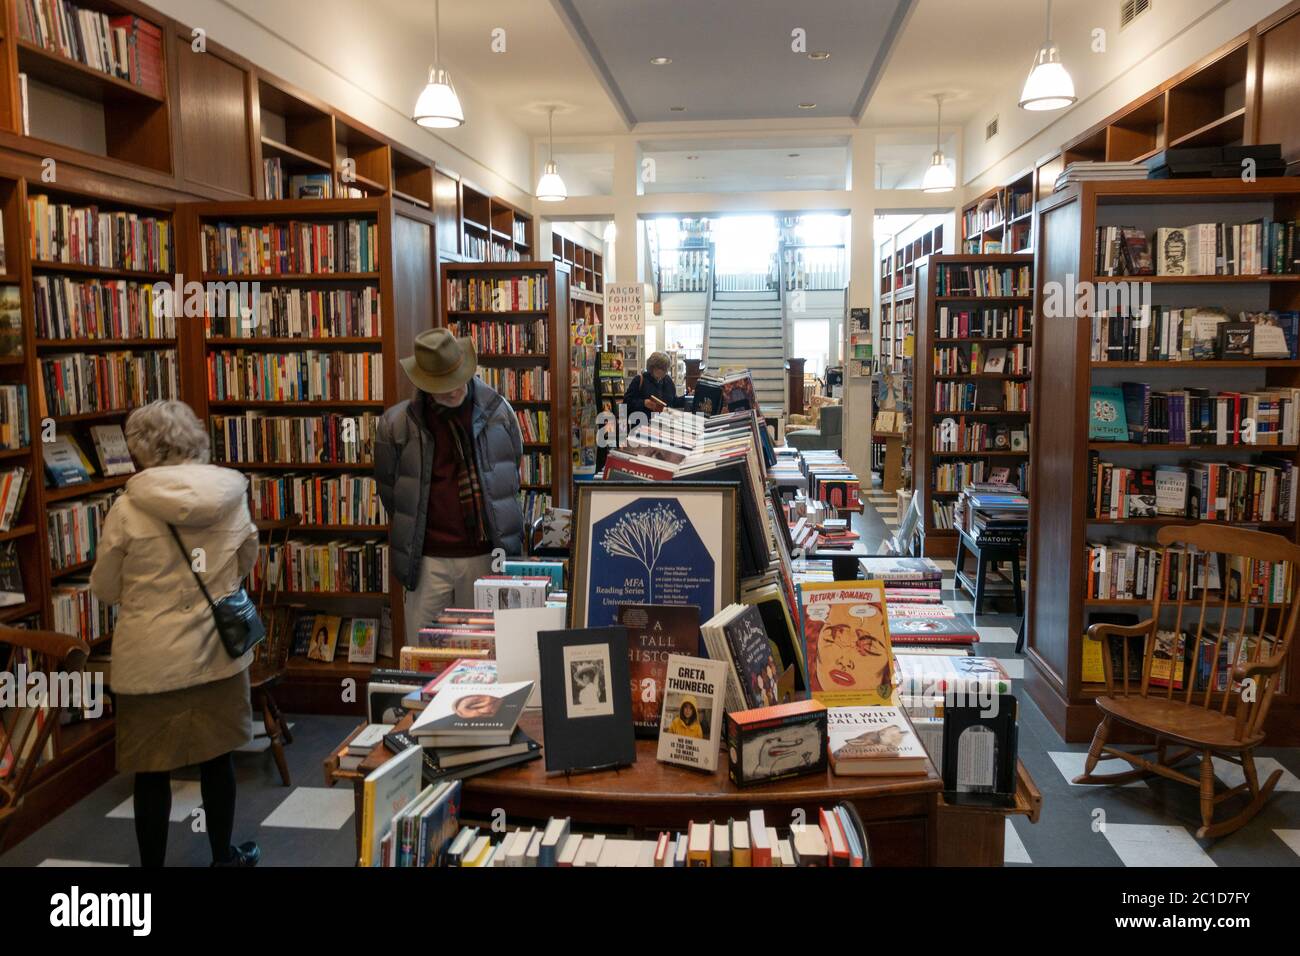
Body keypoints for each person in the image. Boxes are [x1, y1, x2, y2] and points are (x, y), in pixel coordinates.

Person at [90, 400, 261, 868]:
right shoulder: (231, 494)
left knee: (150, 772)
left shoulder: (127, 509)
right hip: (217, 651)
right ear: (194, 437)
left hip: (150, 660)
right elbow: (246, 560)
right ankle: (223, 857)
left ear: (141, 447)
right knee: (218, 760)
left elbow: (105, 589)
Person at [376, 328, 525, 644]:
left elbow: (511, 472)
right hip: (427, 561)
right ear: (423, 382)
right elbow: (391, 492)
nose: (453, 389)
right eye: (441, 384)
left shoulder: (498, 412)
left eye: (456, 378)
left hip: (486, 554)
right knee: (425, 652)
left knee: (486, 649)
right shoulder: (397, 424)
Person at [622, 351, 684, 418]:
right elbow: (626, 403)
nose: (665, 371)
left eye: (666, 369)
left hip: (664, 421)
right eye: (662, 368)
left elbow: (674, 401)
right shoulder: (639, 380)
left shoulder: (668, 380)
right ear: (653, 367)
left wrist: (687, 397)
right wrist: (644, 403)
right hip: (643, 421)